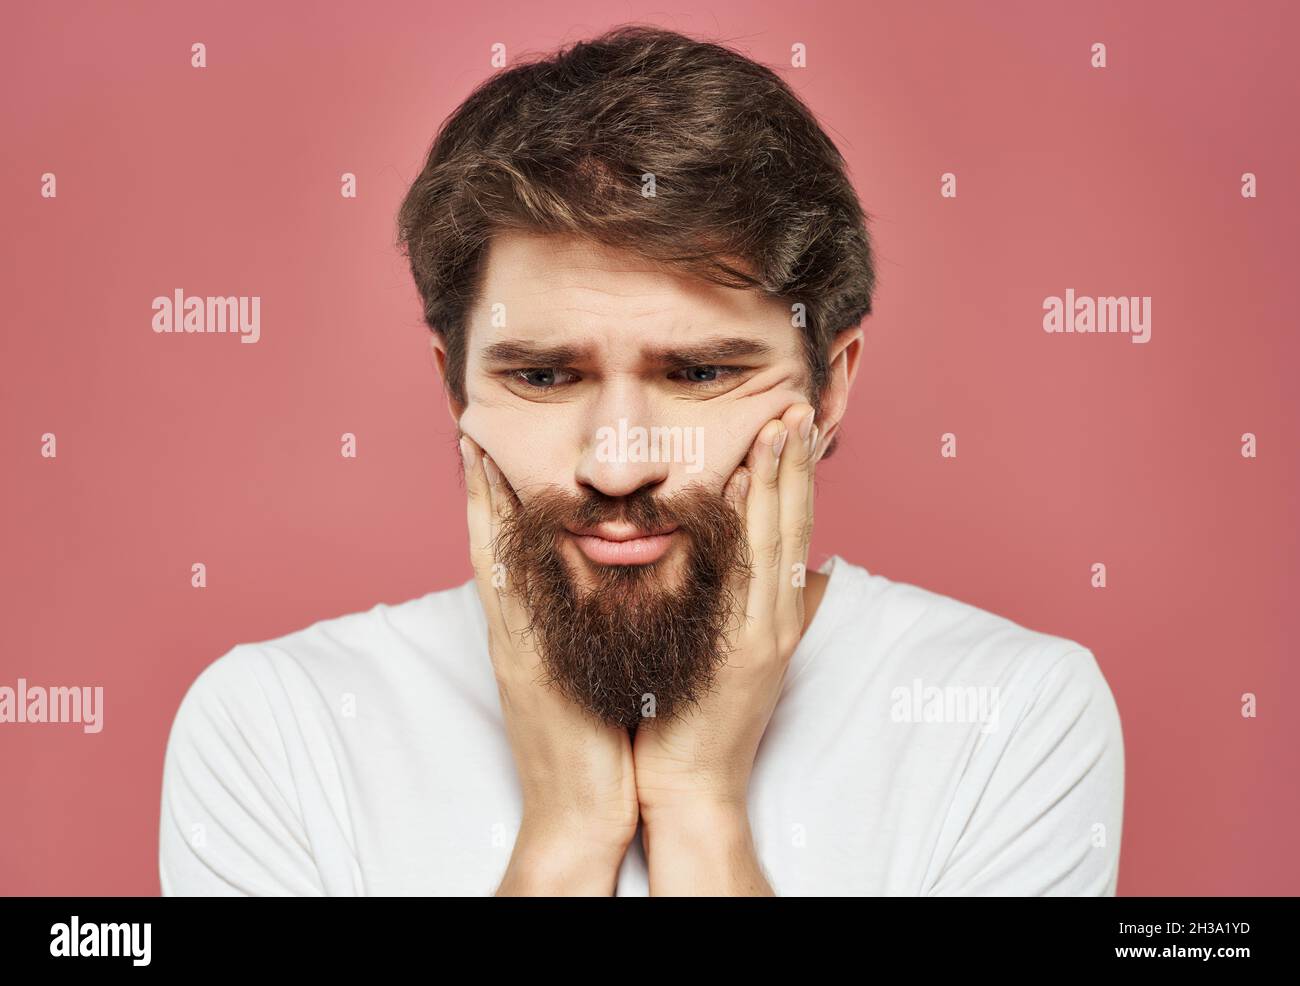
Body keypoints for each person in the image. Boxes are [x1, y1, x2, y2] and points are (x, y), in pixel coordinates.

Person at [159, 25, 1124, 896]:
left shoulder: (1011, 720)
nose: (618, 468)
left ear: (828, 390)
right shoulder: (275, 733)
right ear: (457, 391)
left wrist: (701, 813)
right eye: (542, 377)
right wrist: (567, 835)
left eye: (700, 371)